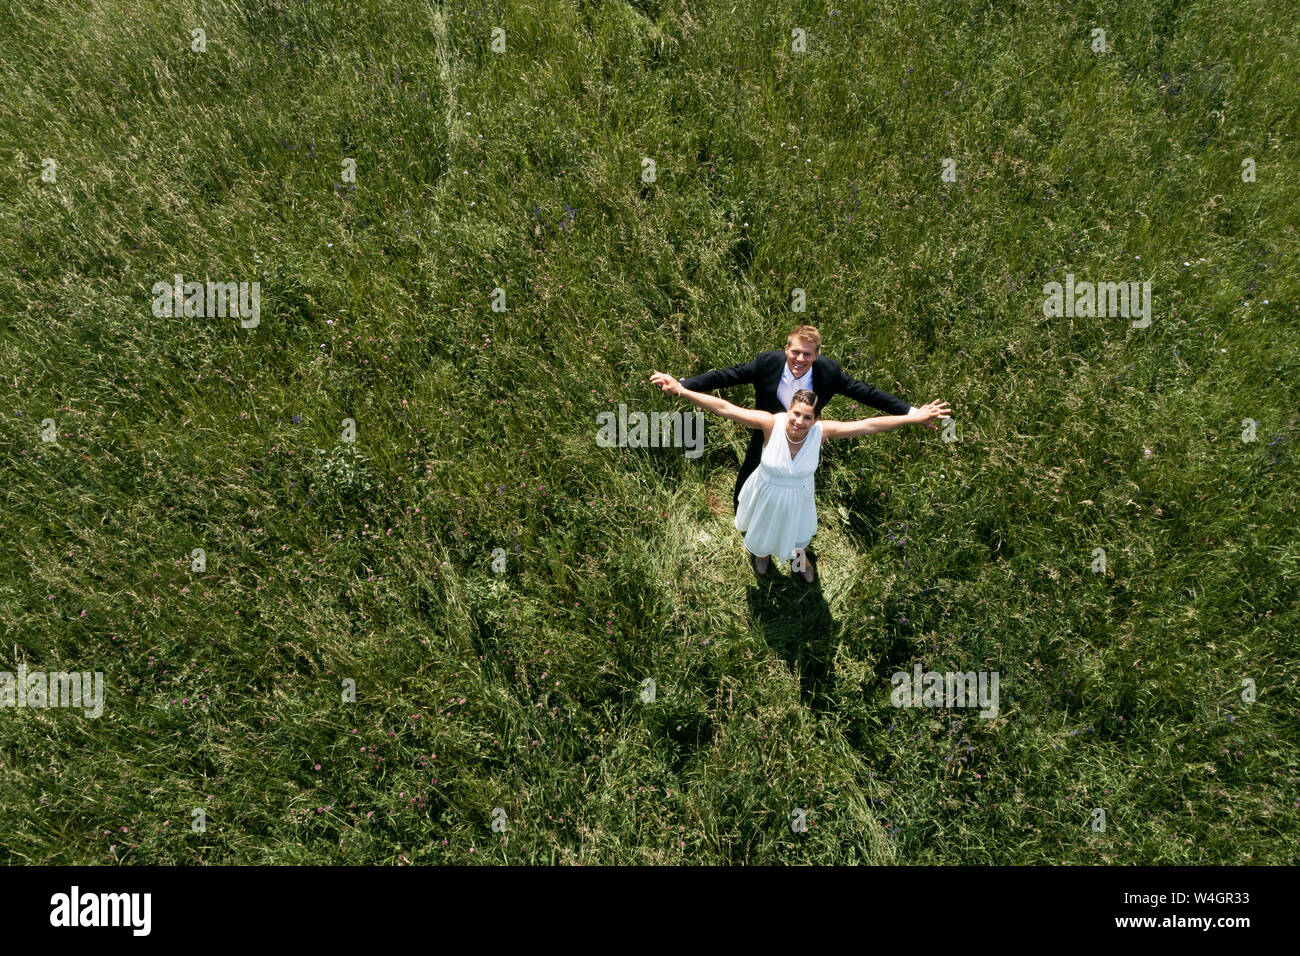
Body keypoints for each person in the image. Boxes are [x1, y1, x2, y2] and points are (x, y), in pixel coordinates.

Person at [649, 372, 951, 582]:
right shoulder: (770, 423)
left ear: (816, 419)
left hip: (798, 497)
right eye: (796, 414)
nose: (799, 422)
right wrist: (682, 389)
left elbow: (869, 424)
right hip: (766, 494)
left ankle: (800, 560)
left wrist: (913, 417)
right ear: (788, 410)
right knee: (763, 533)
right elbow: (726, 408)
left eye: (807, 417)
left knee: (798, 537)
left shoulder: (821, 433)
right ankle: (763, 556)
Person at [670, 325, 930, 513]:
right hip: (767, 427)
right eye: (796, 352)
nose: (800, 359)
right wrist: (684, 386)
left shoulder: (830, 373)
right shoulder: (767, 363)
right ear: (786, 349)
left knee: (798, 479)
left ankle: (790, 514)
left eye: (807, 354)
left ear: (816, 355)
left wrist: (910, 412)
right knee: (753, 465)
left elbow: (867, 393)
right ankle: (743, 509)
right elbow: (728, 376)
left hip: (803, 433)